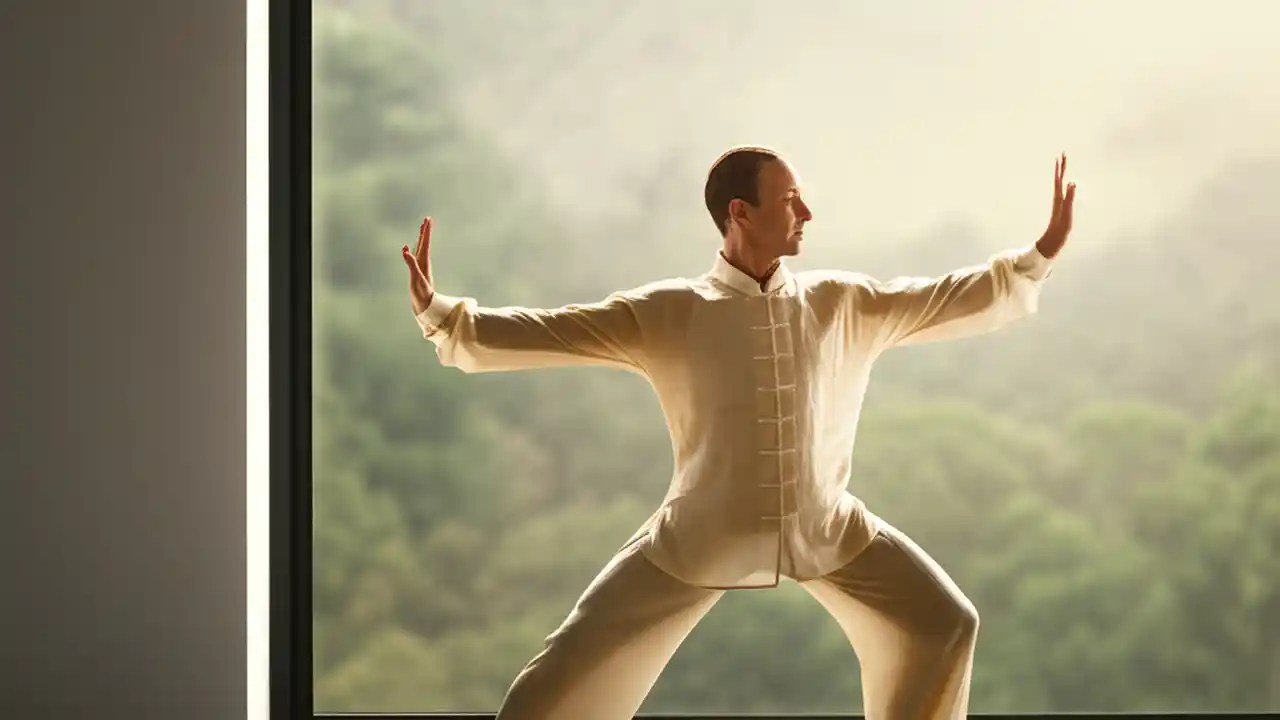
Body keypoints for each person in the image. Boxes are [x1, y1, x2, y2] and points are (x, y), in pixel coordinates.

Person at [400, 147, 1076, 719]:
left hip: (827, 527)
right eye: (790, 200)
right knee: (550, 693)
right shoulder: (669, 312)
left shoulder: (841, 302)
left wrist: (1037, 256)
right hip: (699, 535)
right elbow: (551, 330)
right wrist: (442, 314)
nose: (806, 214)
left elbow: (945, 296)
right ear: (740, 213)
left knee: (944, 623)